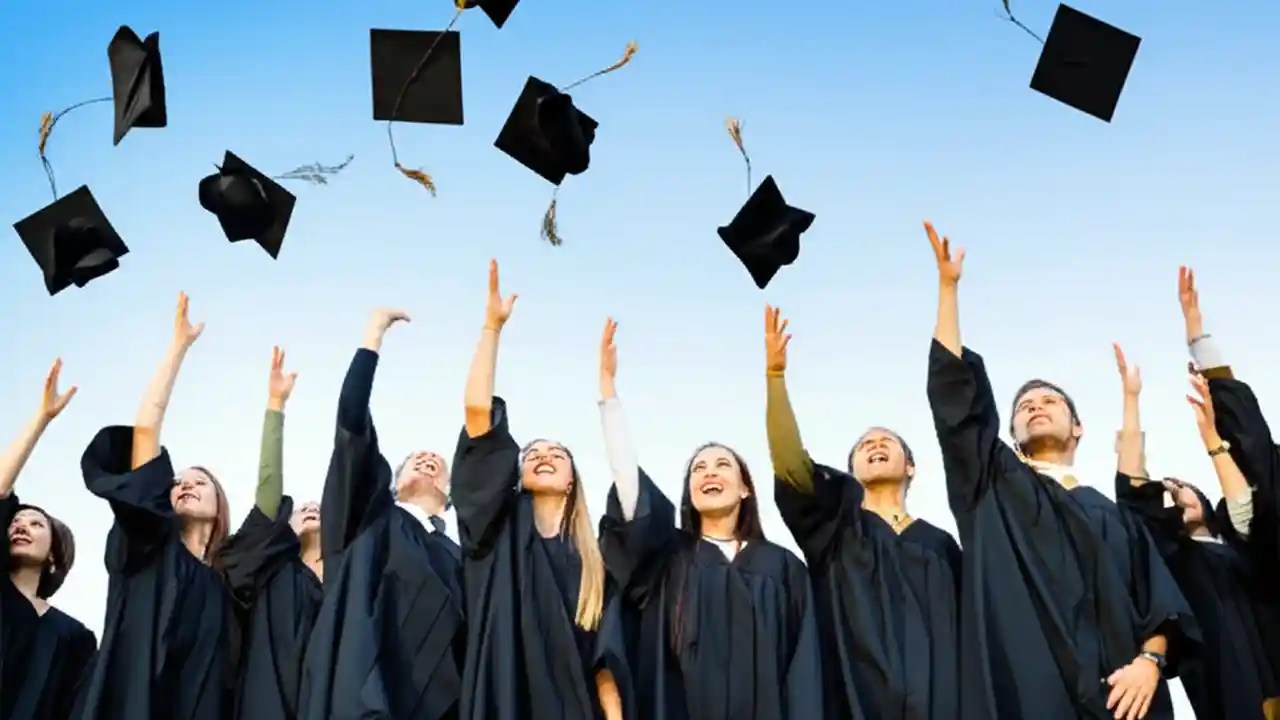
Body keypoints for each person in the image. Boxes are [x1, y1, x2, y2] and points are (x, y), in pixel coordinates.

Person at [922, 223, 1198, 720]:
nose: (1035, 407)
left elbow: (1159, 600)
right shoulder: (993, 488)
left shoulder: (1112, 515)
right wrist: (948, 290)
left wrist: (1151, 661)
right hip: (1027, 697)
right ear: (1008, 434)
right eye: (1024, 405)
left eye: (1049, 401)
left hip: (1125, 697)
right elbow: (956, 404)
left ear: (1078, 428)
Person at [596, 317, 822, 718]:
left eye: (722, 465)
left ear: (745, 488)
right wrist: (609, 397)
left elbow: (804, 675)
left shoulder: (784, 569)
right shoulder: (667, 560)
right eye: (698, 469)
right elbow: (632, 496)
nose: (709, 473)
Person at [762, 305, 959, 718]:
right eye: (864, 445)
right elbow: (791, 467)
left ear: (911, 466)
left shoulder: (940, 545)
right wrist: (776, 379)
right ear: (850, 471)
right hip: (853, 704)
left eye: (887, 442)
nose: (875, 445)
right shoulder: (835, 530)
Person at [452, 261, 628, 720]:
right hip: (501, 702)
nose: (542, 455)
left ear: (572, 479)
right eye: (531, 452)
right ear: (515, 472)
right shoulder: (493, 535)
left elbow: (605, 659)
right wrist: (491, 328)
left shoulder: (594, 561)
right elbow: (477, 414)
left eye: (557, 452)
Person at [299, 308, 466, 720]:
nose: (427, 459)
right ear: (394, 480)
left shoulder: (462, 556)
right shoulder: (372, 519)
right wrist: (372, 338)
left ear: (449, 493)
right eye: (415, 459)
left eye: (437, 461)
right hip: (363, 695)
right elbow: (353, 427)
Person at [73, 291, 232, 720]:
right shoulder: (149, 542)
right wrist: (177, 349)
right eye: (177, 481)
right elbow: (146, 432)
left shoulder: (226, 591)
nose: (183, 485)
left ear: (220, 506)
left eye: (200, 482)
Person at [1112, 342, 1280, 719]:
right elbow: (1135, 497)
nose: (1172, 495)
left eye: (1179, 486)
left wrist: (1213, 443)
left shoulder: (1240, 544)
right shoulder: (1174, 566)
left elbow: (1249, 507)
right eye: (1166, 495)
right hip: (1228, 692)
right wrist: (1131, 399)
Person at [219, 346, 323, 719]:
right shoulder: (272, 574)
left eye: (318, 508)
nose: (310, 509)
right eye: (300, 510)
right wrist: (275, 407)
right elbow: (268, 491)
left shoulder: (347, 581)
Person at [0, 359, 97, 719]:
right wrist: (42, 418)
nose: (20, 526)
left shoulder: (75, 638)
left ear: (55, 555)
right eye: (15, 521)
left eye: (36, 524)